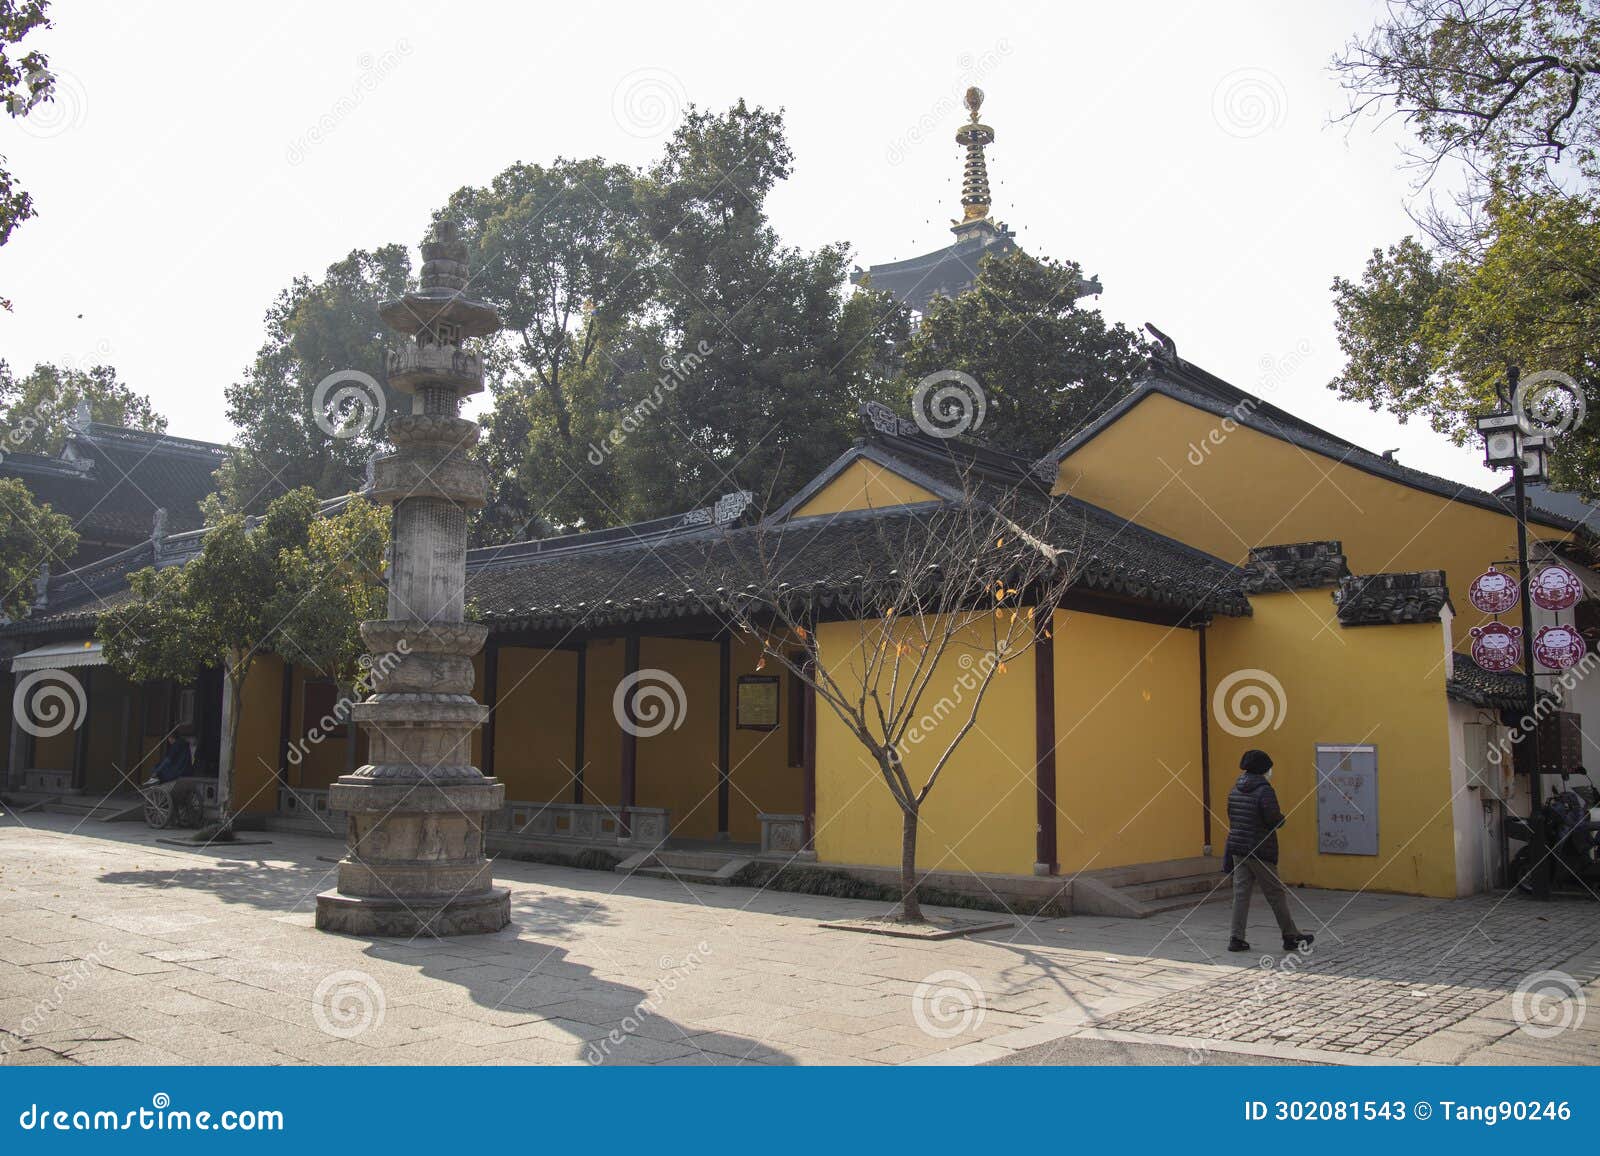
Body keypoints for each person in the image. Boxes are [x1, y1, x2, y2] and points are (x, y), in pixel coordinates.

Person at [1224, 749, 1313, 953]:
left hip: (1238, 847)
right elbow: (1272, 819)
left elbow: (1232, 816)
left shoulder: (1235, 789)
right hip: (1260, 848)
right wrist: (1281, 819)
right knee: (1275, 893)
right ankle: (1290, 935)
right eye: (1269, 767)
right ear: (1263, 769)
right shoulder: (1265, 790)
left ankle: (1236, 938)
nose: (1271, 771)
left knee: (1241, 894)